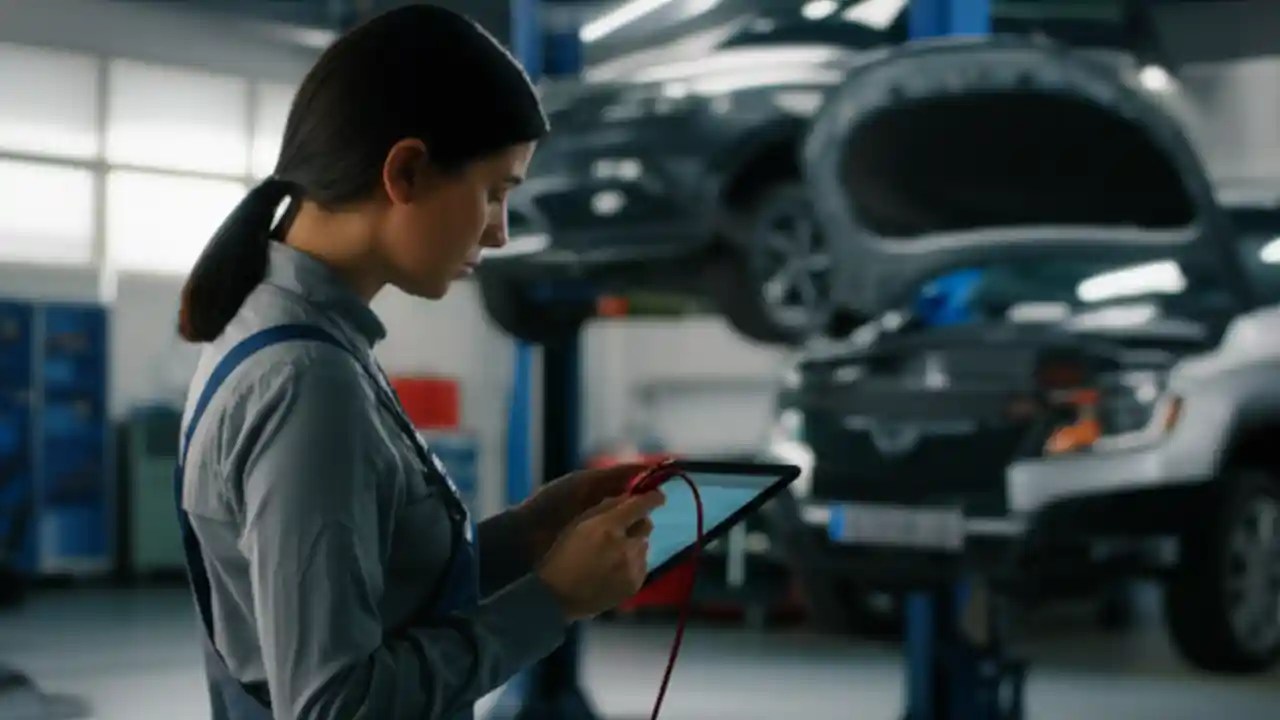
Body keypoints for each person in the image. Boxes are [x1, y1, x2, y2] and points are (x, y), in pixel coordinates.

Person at [173, 6, 664, 720]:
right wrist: (549, 600)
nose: (499, 232)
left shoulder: (303, 339)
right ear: (405, 170)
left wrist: (531, 535)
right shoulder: (308, 383)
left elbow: (375, 586)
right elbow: (334, 705)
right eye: (495, 192)